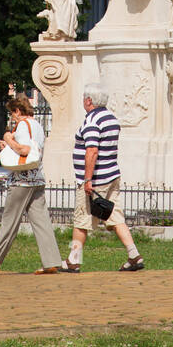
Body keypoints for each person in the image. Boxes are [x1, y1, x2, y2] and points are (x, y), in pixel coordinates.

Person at [0, 94, 62, 276]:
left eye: (12, 114)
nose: (11, 117)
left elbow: (24, 150)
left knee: (9, 222)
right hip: (37, 179)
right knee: (42, 222)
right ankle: (51, 262)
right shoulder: (37, 125)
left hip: (22, 181)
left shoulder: (22, 125)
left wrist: (8, 140)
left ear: (17, 111)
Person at [63, 82, 144, 273]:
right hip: (112, 175)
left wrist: (87, 179)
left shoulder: (92, 121)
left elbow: (91, 150)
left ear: (89, 100)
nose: (83, 100)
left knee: (82, 220)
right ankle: (133, 255)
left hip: (96, 180)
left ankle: (73, 261)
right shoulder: (111, 119)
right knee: (116, 216)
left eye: (84, 97)